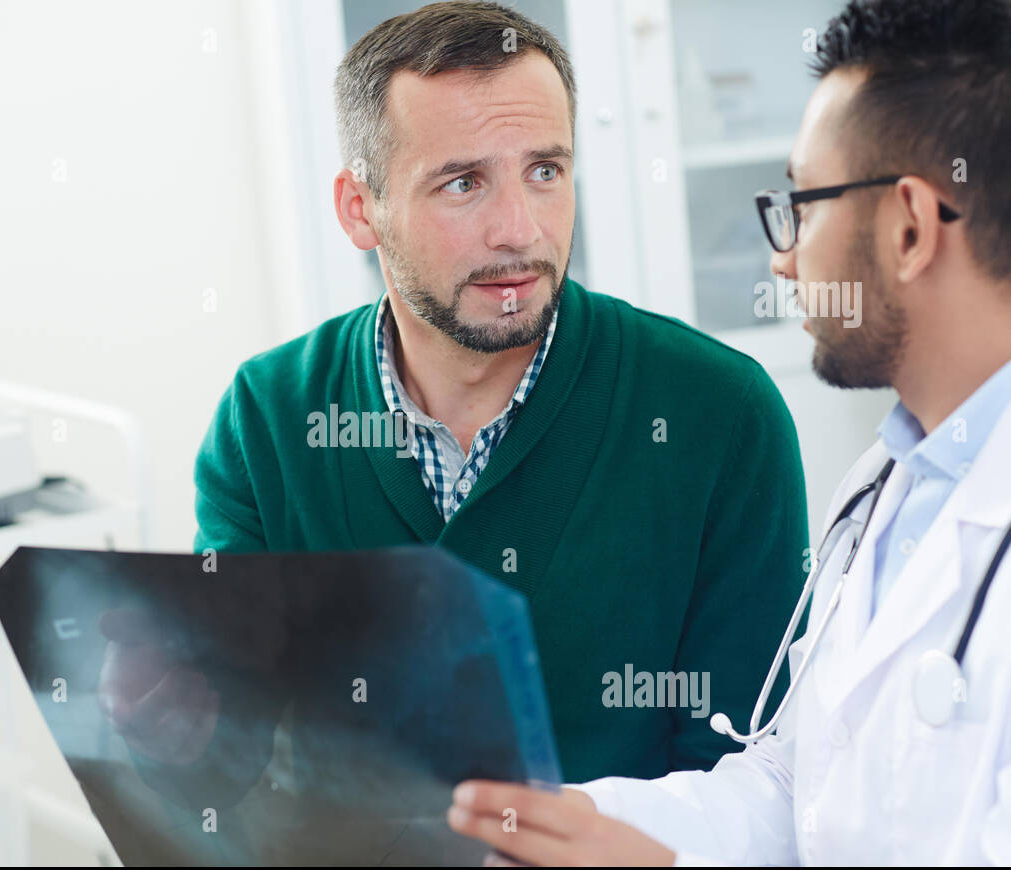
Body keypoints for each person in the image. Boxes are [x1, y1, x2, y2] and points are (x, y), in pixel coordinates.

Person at [101, 1, 810, 792]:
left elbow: (752, 786)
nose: (518, 229)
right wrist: (161, 730)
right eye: (463, 182)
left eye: (546, 171)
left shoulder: (718, 415)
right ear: (359, 209)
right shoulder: (269, 416)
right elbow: (225, 771)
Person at [447, 0, 1011, 866]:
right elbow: (800, 787)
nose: (782, 259)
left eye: (802, 205)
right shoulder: (887, 482)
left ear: (907, 227)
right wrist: (607, 831)